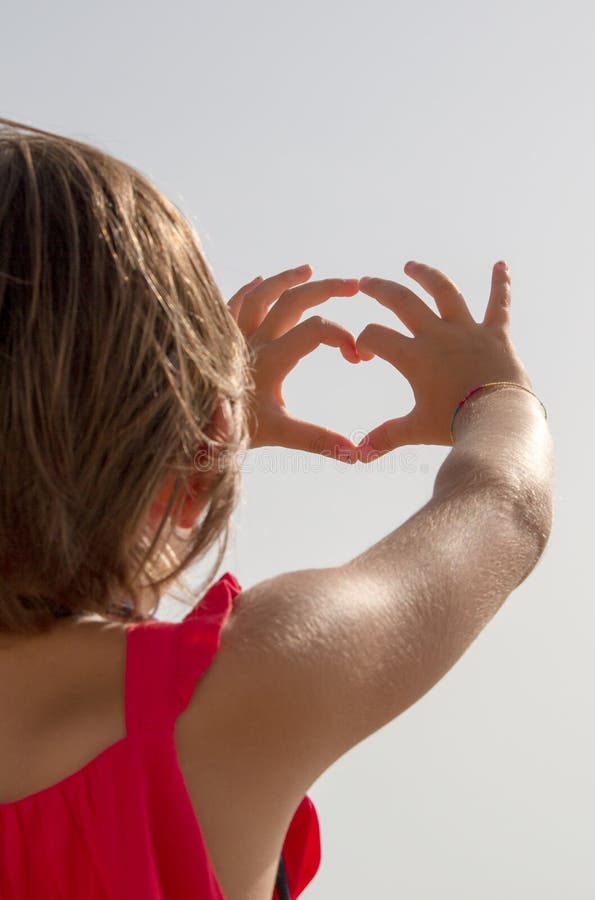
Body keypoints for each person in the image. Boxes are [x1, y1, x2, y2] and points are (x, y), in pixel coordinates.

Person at [0, 118, 553, 900]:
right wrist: (494, 393)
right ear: (192, 467)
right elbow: (505, 509)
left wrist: (194, 441)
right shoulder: (235, 695)